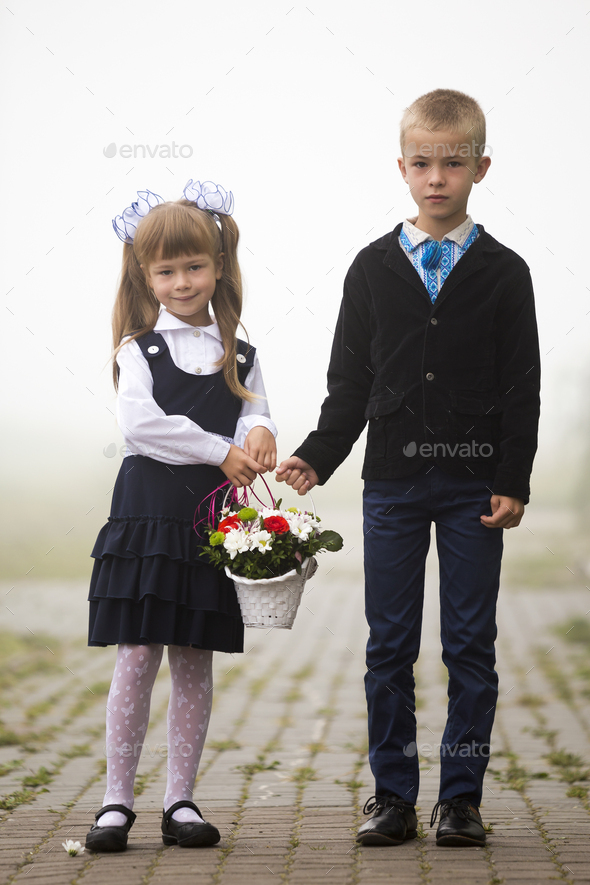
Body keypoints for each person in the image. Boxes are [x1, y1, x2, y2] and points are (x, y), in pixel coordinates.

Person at [276, 89, 540, 848]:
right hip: (390, 484)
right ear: (401, 167)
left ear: (480, 167)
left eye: (452, 164)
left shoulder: (505, 272)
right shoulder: (370, 270)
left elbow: (523, 386)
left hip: (472, 489)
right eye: (422, 163)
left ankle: (459, 799)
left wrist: (512, 481)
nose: (436, 178)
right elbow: (349, 385)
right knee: (388, 643)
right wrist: (318, 455)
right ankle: (391, 794)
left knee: (469, 646)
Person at [86, 181, 277, 852]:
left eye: (194, 265)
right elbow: (141, 425)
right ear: (147, 275)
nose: (182, 280)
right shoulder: (139, 351)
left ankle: (181, 799)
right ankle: (116, 800)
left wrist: (257, 436)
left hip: (208, 517)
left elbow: (256, 410)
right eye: (167, 269)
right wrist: (219, 448)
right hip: (148, 510)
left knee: (194, 654)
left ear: (218, 266)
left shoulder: (242, 352)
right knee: (137, 653)